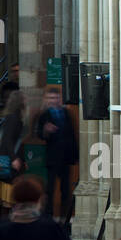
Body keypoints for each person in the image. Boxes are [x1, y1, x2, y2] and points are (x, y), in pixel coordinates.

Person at [36, 85, 78, 227]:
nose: (53, 100)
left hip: (66, 157)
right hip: (53, 157)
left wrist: (75, 155)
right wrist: (46, 130)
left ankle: (63, 218)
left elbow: (72, 134)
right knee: (50, 189)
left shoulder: (66, 113)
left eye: (55, 98)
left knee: (66, 190)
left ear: (60, 99)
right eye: (50, 98)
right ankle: (48, 217)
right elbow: (39, 134)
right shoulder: (44, 115)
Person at [0, 89, 28, 216]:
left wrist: (23, 160)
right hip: (9, 163)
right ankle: (2, 223)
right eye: (24, 99)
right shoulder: (13, 118)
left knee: (5, 200)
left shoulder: (13, 117)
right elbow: (8, 140)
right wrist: (14, 159)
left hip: (9, 161)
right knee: (7, 199)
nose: (26, 101)